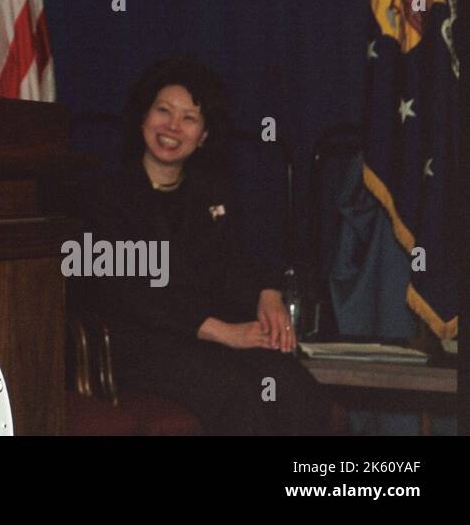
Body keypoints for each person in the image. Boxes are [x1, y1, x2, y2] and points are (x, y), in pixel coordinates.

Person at [84, 56, 328, 435]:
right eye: (163, 111)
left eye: (189, 118)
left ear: (205, 135)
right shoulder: (107, 195)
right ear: (142, 117)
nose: (172, 127)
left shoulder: (212, 196)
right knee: (237, 397)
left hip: (202, 341)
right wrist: (222, 331)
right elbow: (127, 294)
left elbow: (234, 265)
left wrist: (268, 290)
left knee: (294, 387)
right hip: (136, 345)